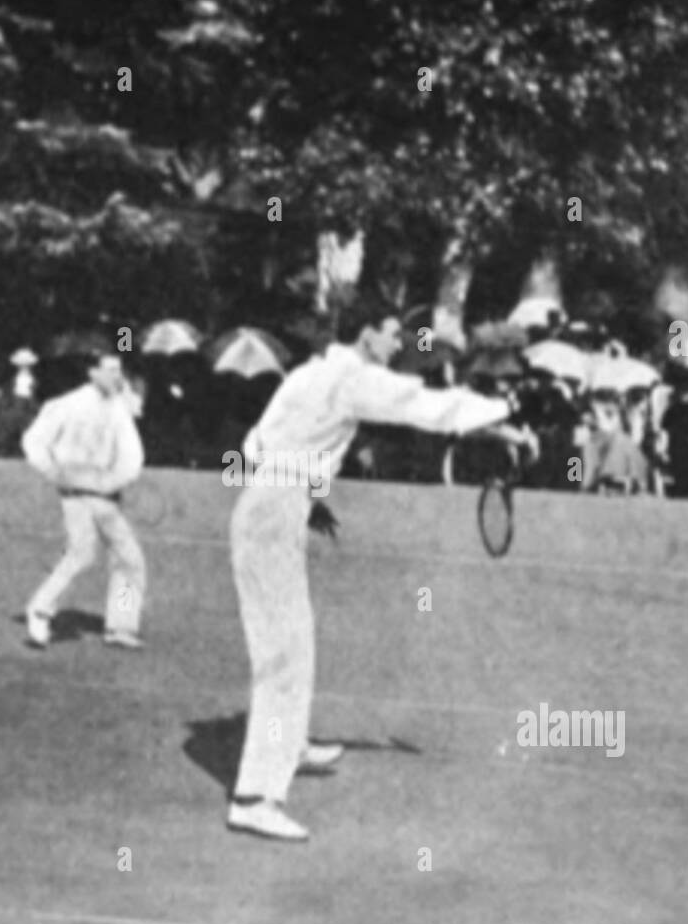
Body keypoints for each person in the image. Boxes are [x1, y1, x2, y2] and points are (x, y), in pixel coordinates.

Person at [226, 303, 537, 841]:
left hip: (269, 504)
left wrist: (306, 496)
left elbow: (262, 443)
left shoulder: (309, 372)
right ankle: (254, 797)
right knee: (281, 654)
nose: (399, 345)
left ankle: (290, 745)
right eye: (393, 335)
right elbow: (421, 406)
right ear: (365, 332)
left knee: (294, 641)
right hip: (272, 513)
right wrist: (501, 418)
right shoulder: (351, 378)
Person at [21, 349, 147, 651]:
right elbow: (34, 442)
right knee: (81, 554)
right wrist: (58, 474)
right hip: (77, 495)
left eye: (119, 370)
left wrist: (114, 481)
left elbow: (132, 454)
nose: (117, 376)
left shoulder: (118, 406)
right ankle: (39, 610)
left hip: (106, 498)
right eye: (110, 370)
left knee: (130, 560)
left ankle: (121, 626)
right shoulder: (70, 403)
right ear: (92, 373)